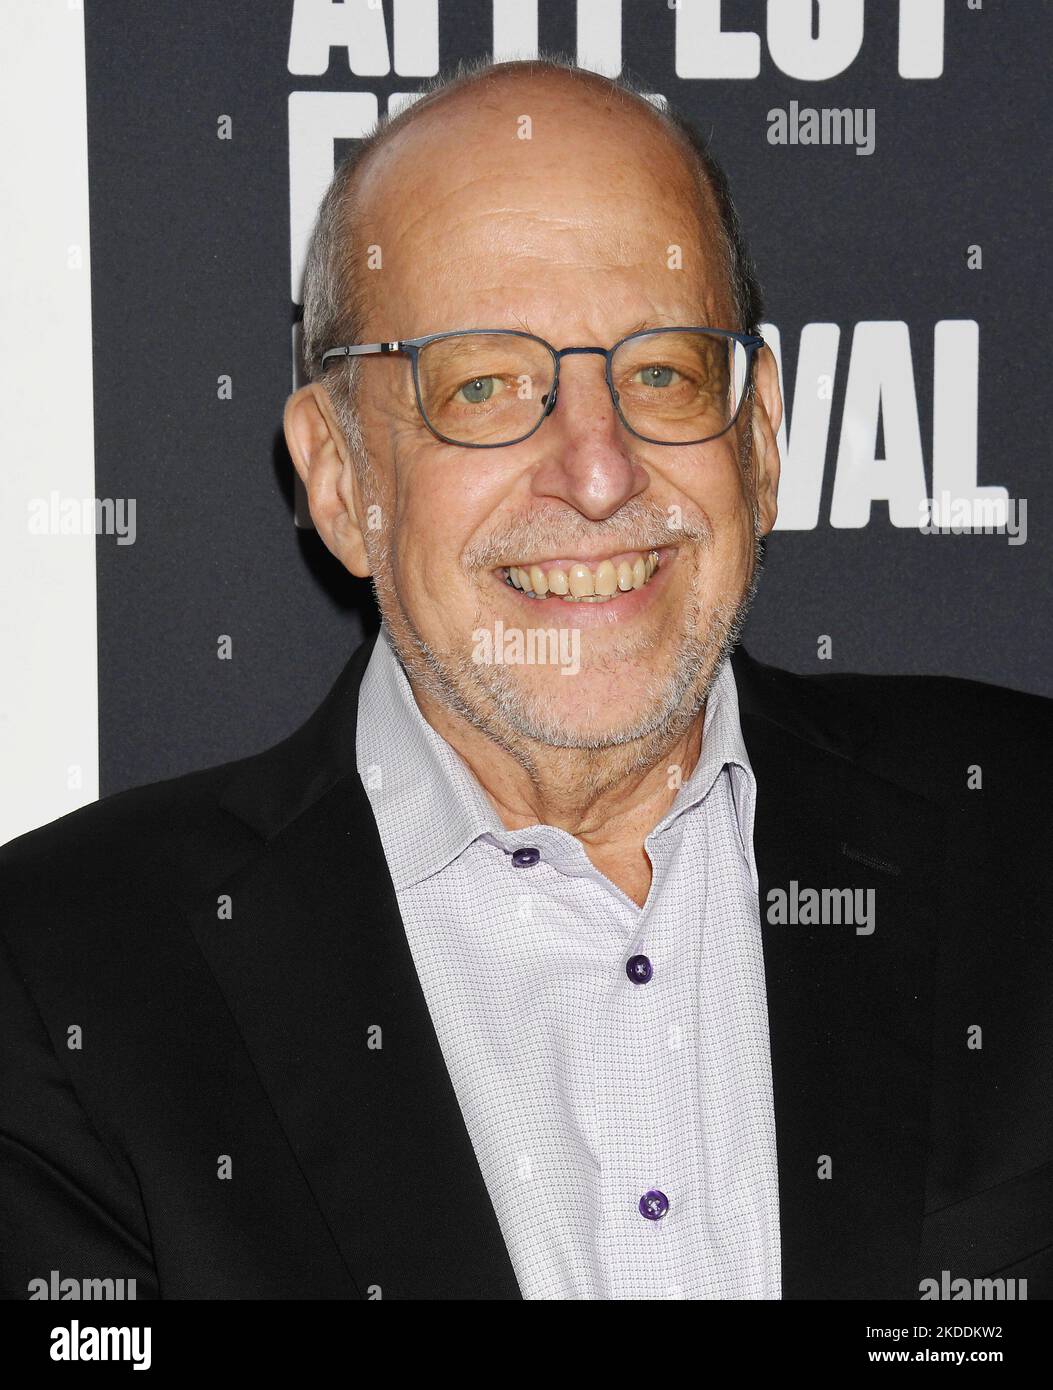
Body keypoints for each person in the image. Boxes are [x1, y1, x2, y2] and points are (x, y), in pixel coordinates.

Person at [1, 57, 1050, 1302]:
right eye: (486, 387)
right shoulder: (64, 975)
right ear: (341, 482)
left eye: (661, 371)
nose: (598, 473)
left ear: (760, 439)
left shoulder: (1024, 831)